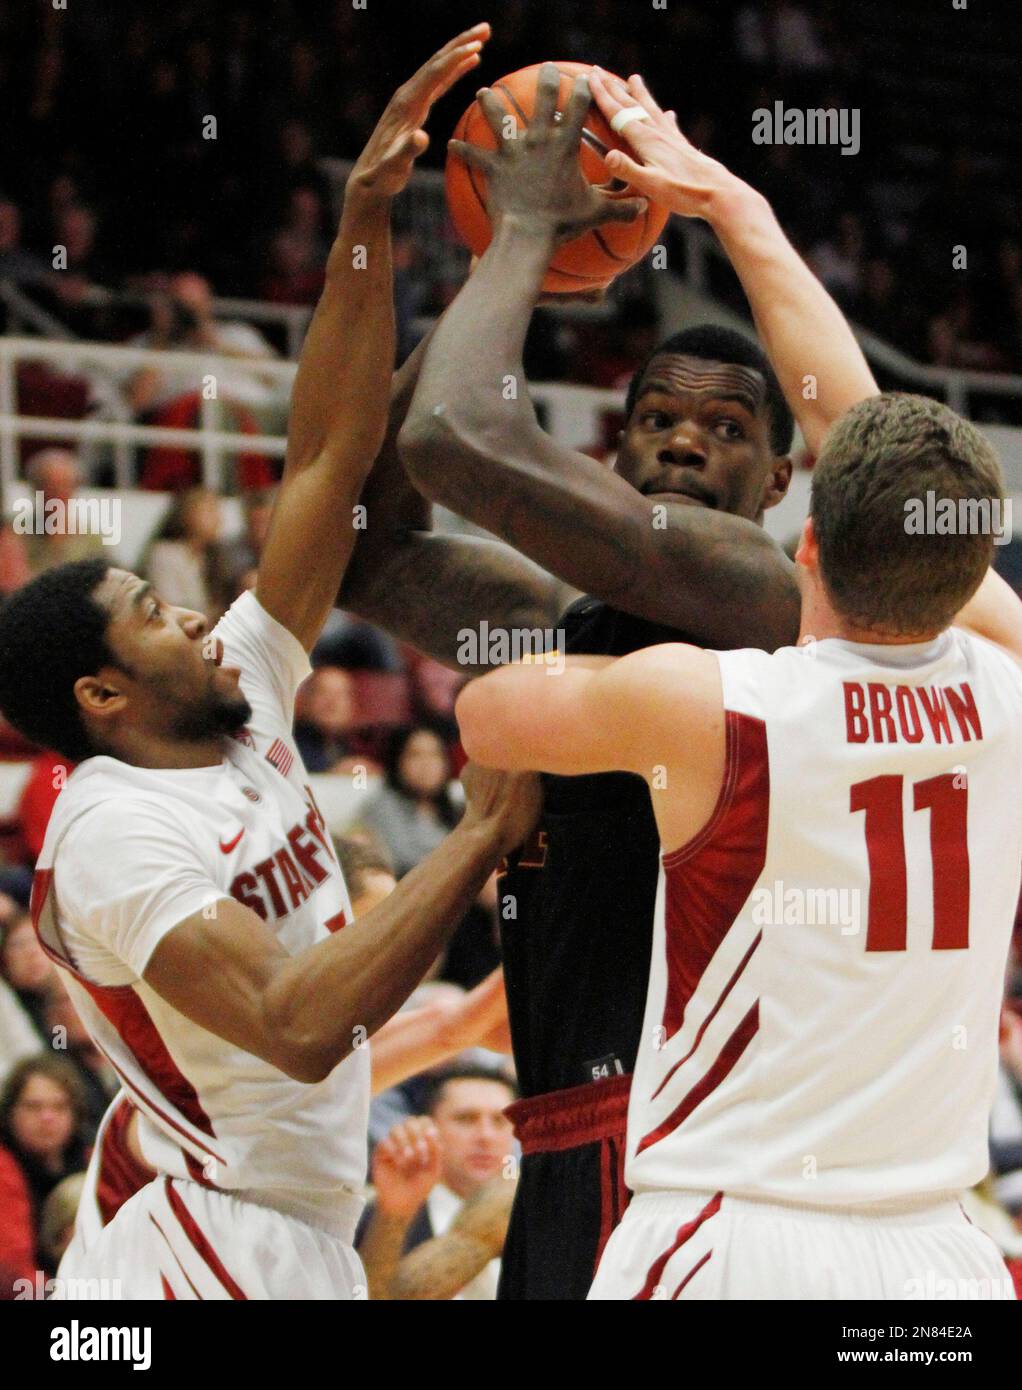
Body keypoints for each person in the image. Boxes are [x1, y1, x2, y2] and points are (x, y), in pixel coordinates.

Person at [0, 24, 537, 1302]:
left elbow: (325, 459)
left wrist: (366, 216)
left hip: (266, 1224)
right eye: (153, 613)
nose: (194, 615)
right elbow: (299, 1027)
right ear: (102, 696)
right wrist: (473, 838)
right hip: (207, 1239)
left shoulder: (235, 696)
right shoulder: (115, 831)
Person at [338, 65, 871, 1298]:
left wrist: (521, 226)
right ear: (612, 447)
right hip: (572, 1141)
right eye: (657, 422)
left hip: (690, 1148)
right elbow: (367, 546)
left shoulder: (760, 599)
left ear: (779, 481)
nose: (685, 440)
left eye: (727, 427)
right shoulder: (561, 625)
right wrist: (490, 263)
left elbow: (452, 437)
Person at [458, 386, 1022, 1301]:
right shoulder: (1009, 697)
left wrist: (643, 671)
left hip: (732, 1241)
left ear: (808, 549)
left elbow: (486, 717)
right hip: (941, 1265)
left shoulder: (724, 705)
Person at [358, 1066, 517, 1299]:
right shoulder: (374, 1214)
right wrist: (393, 1216)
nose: (486, 1136)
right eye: (466, 1119)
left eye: (500, 1121)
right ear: (430, 1127)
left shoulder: (541, 1217)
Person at [0, 1056, 89, 1291]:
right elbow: (11, 1272)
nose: (47, 1118)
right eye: (33, 1107)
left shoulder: (92, 1159)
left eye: (59, 1107)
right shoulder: (3, 1168)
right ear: (10, 1113)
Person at [357, 725, 461, 877]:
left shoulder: (455, 807)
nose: (427, 764)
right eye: (415, 755)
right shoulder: (382, 807)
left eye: (435, 755)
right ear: (397, 761)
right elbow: (401, 859)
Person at [142, 486, 233, 627]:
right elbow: (170, 607)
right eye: (209, 511)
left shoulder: (213, 556)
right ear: (186, 516)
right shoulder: (165, 555)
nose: (218, 519)